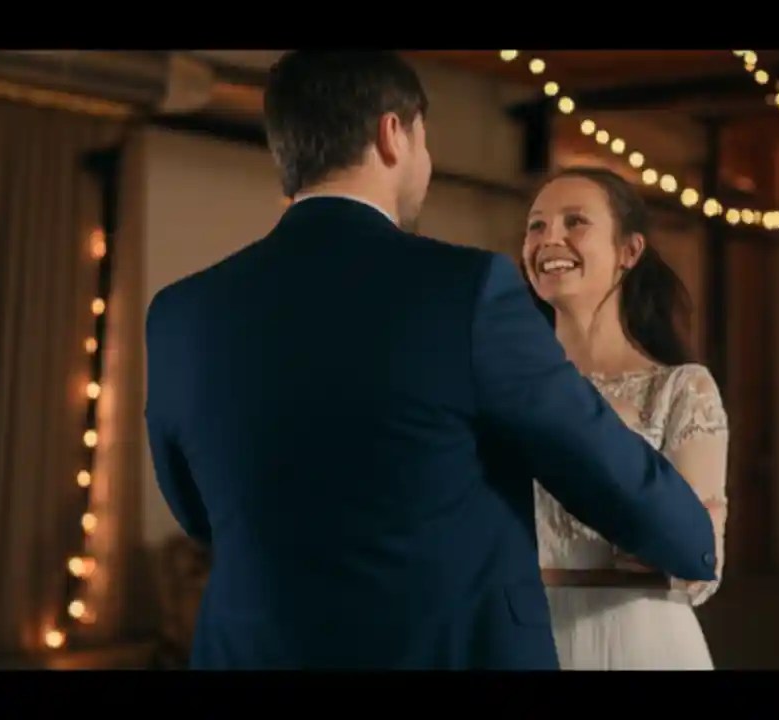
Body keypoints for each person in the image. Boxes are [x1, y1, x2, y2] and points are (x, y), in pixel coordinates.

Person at [143, 50, 717, 670]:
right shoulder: (467, 290)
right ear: (393, 134)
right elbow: (592, 458)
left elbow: (197, 512)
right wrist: (693, 541)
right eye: (424, 139)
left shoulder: (179, 313)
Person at [521, 167, 728, 669]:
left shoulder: (680, 389)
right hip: (523, 635)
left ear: (628, 251)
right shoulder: (507, 386)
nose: (550, 239)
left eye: (575, 222)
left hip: (639, 638)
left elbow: (702, 563)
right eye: (536, 226)